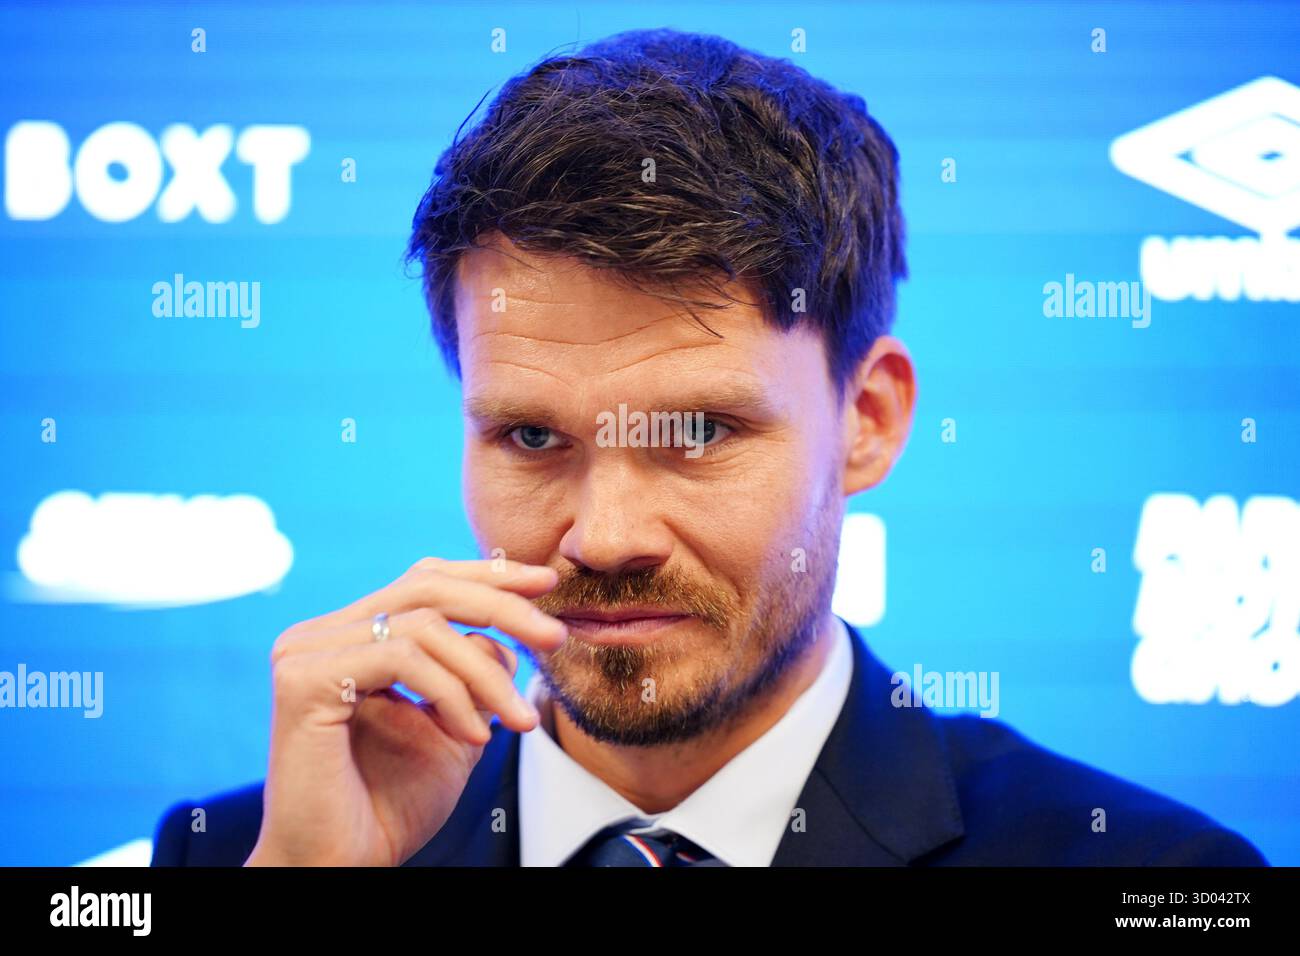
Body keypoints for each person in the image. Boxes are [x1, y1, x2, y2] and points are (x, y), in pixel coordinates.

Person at [151, 28, 1267, 867]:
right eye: (531, 435)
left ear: (867, 418)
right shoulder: (249, 852)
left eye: (697, 433)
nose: (606, 535)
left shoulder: (1143, 870)